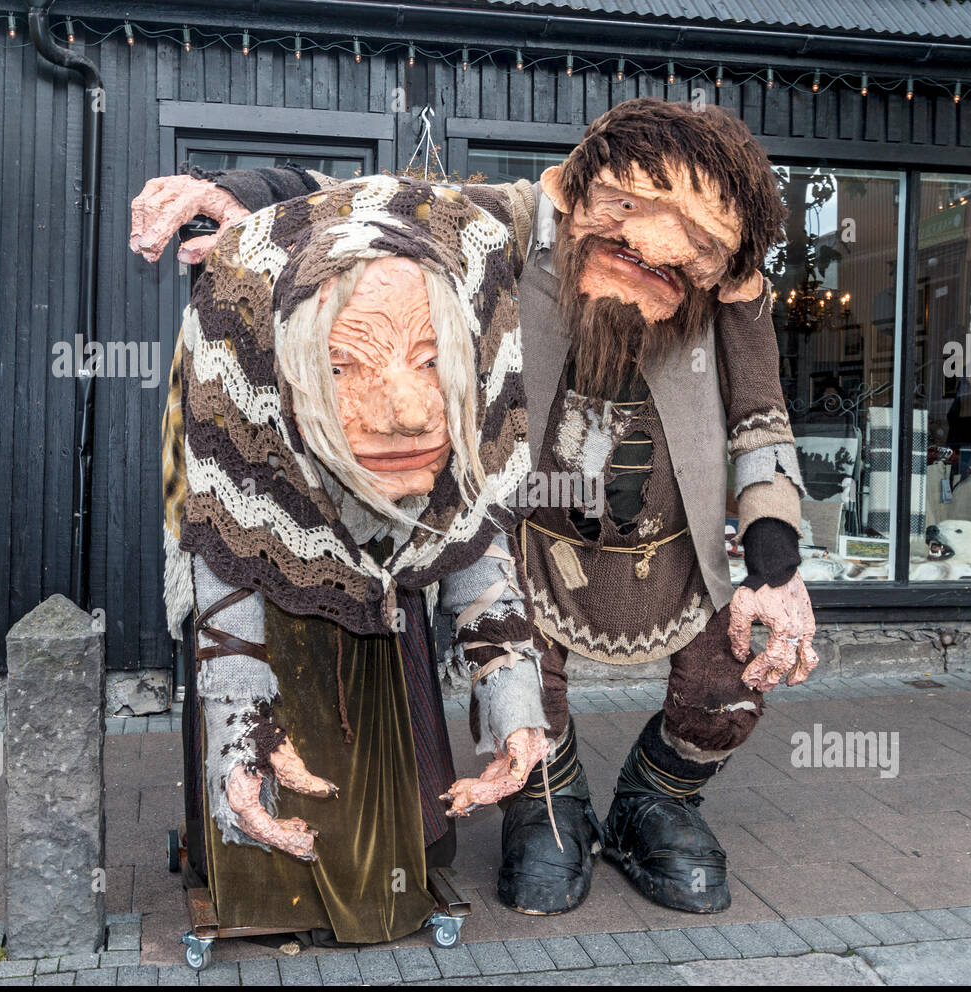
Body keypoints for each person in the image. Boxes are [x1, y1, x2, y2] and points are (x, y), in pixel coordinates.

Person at [134, 98, 819, 918]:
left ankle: (658, 802)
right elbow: (379, 197)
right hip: (535, 535)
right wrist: (244, 191)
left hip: (679, 545)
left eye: (689, 246)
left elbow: (761, 419)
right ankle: (547, 803)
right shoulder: (512, 224)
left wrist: (776, 565)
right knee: (523, 662)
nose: (651, 250)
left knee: (735, 670)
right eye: (631, 215)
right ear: (580, 194)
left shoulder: (731, 300)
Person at [159, 174, 545, 943]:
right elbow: (222, 573)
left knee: (412, 830)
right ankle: (250, 875)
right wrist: (241, 734)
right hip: (276, 621)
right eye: (343, 366)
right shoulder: (239, 404)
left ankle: (397, 873)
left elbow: (471, 547)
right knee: (260, 808)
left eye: (430, 361)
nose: (406, 411)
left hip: (387, 624)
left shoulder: (458, 415)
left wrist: (517, 714)